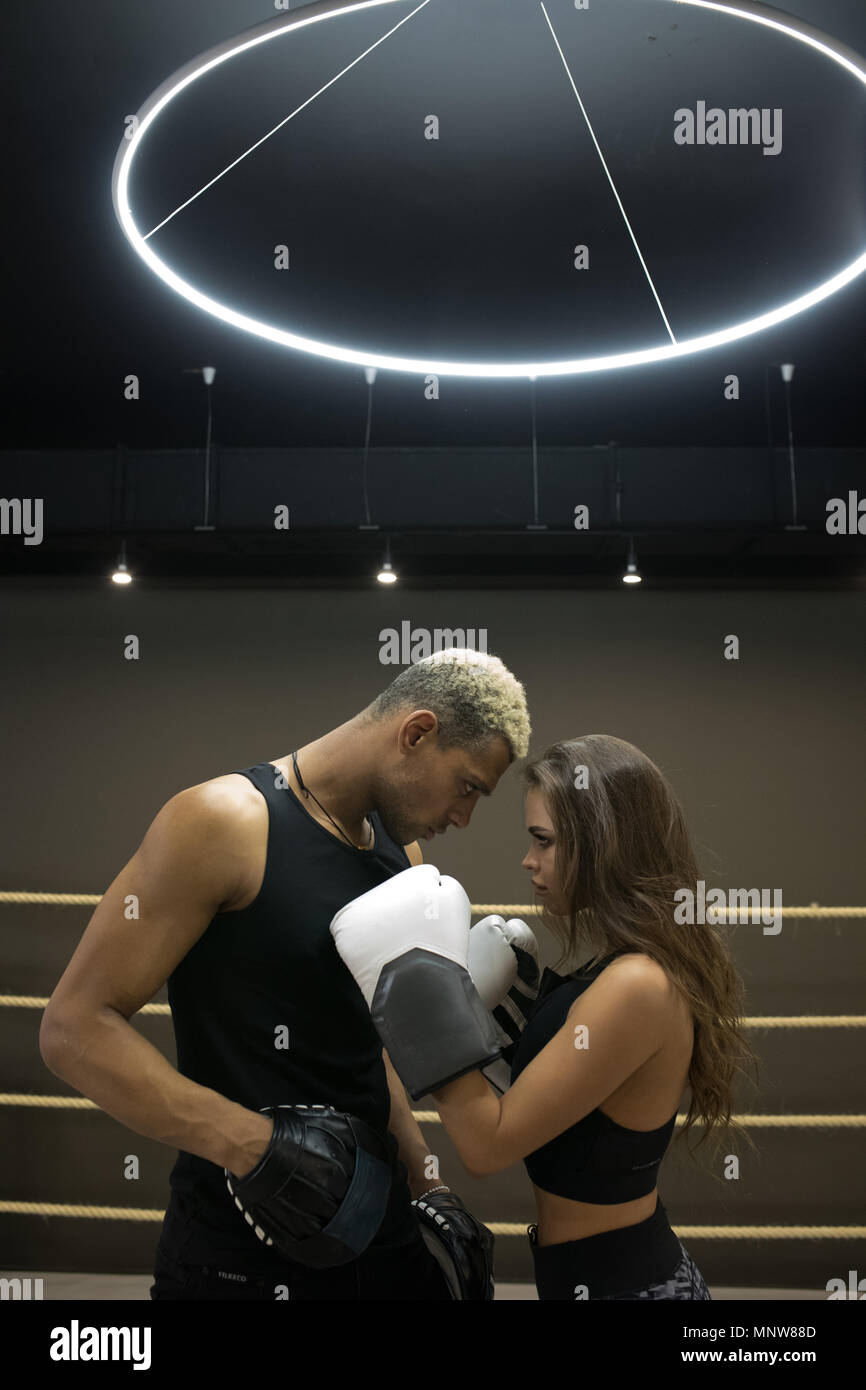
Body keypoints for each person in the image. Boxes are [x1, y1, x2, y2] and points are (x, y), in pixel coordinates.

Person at [38, 648, 531, 1299]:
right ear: (416, 733)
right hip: (238, 1252)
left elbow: (367, 1043)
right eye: (467, 786)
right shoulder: (223, 823)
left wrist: (426, 1182)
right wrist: (250, 1143)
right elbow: (74, 1028)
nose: (463, 817)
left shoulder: (400, 853)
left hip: (377, 1233)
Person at [331, 734, 761, 1301]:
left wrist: (423, 994)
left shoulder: (636, 985)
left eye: (545, 841)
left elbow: (487, 1147)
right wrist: (500, 1047)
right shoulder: (621, 970)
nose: (528, 861)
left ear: (604, 844)